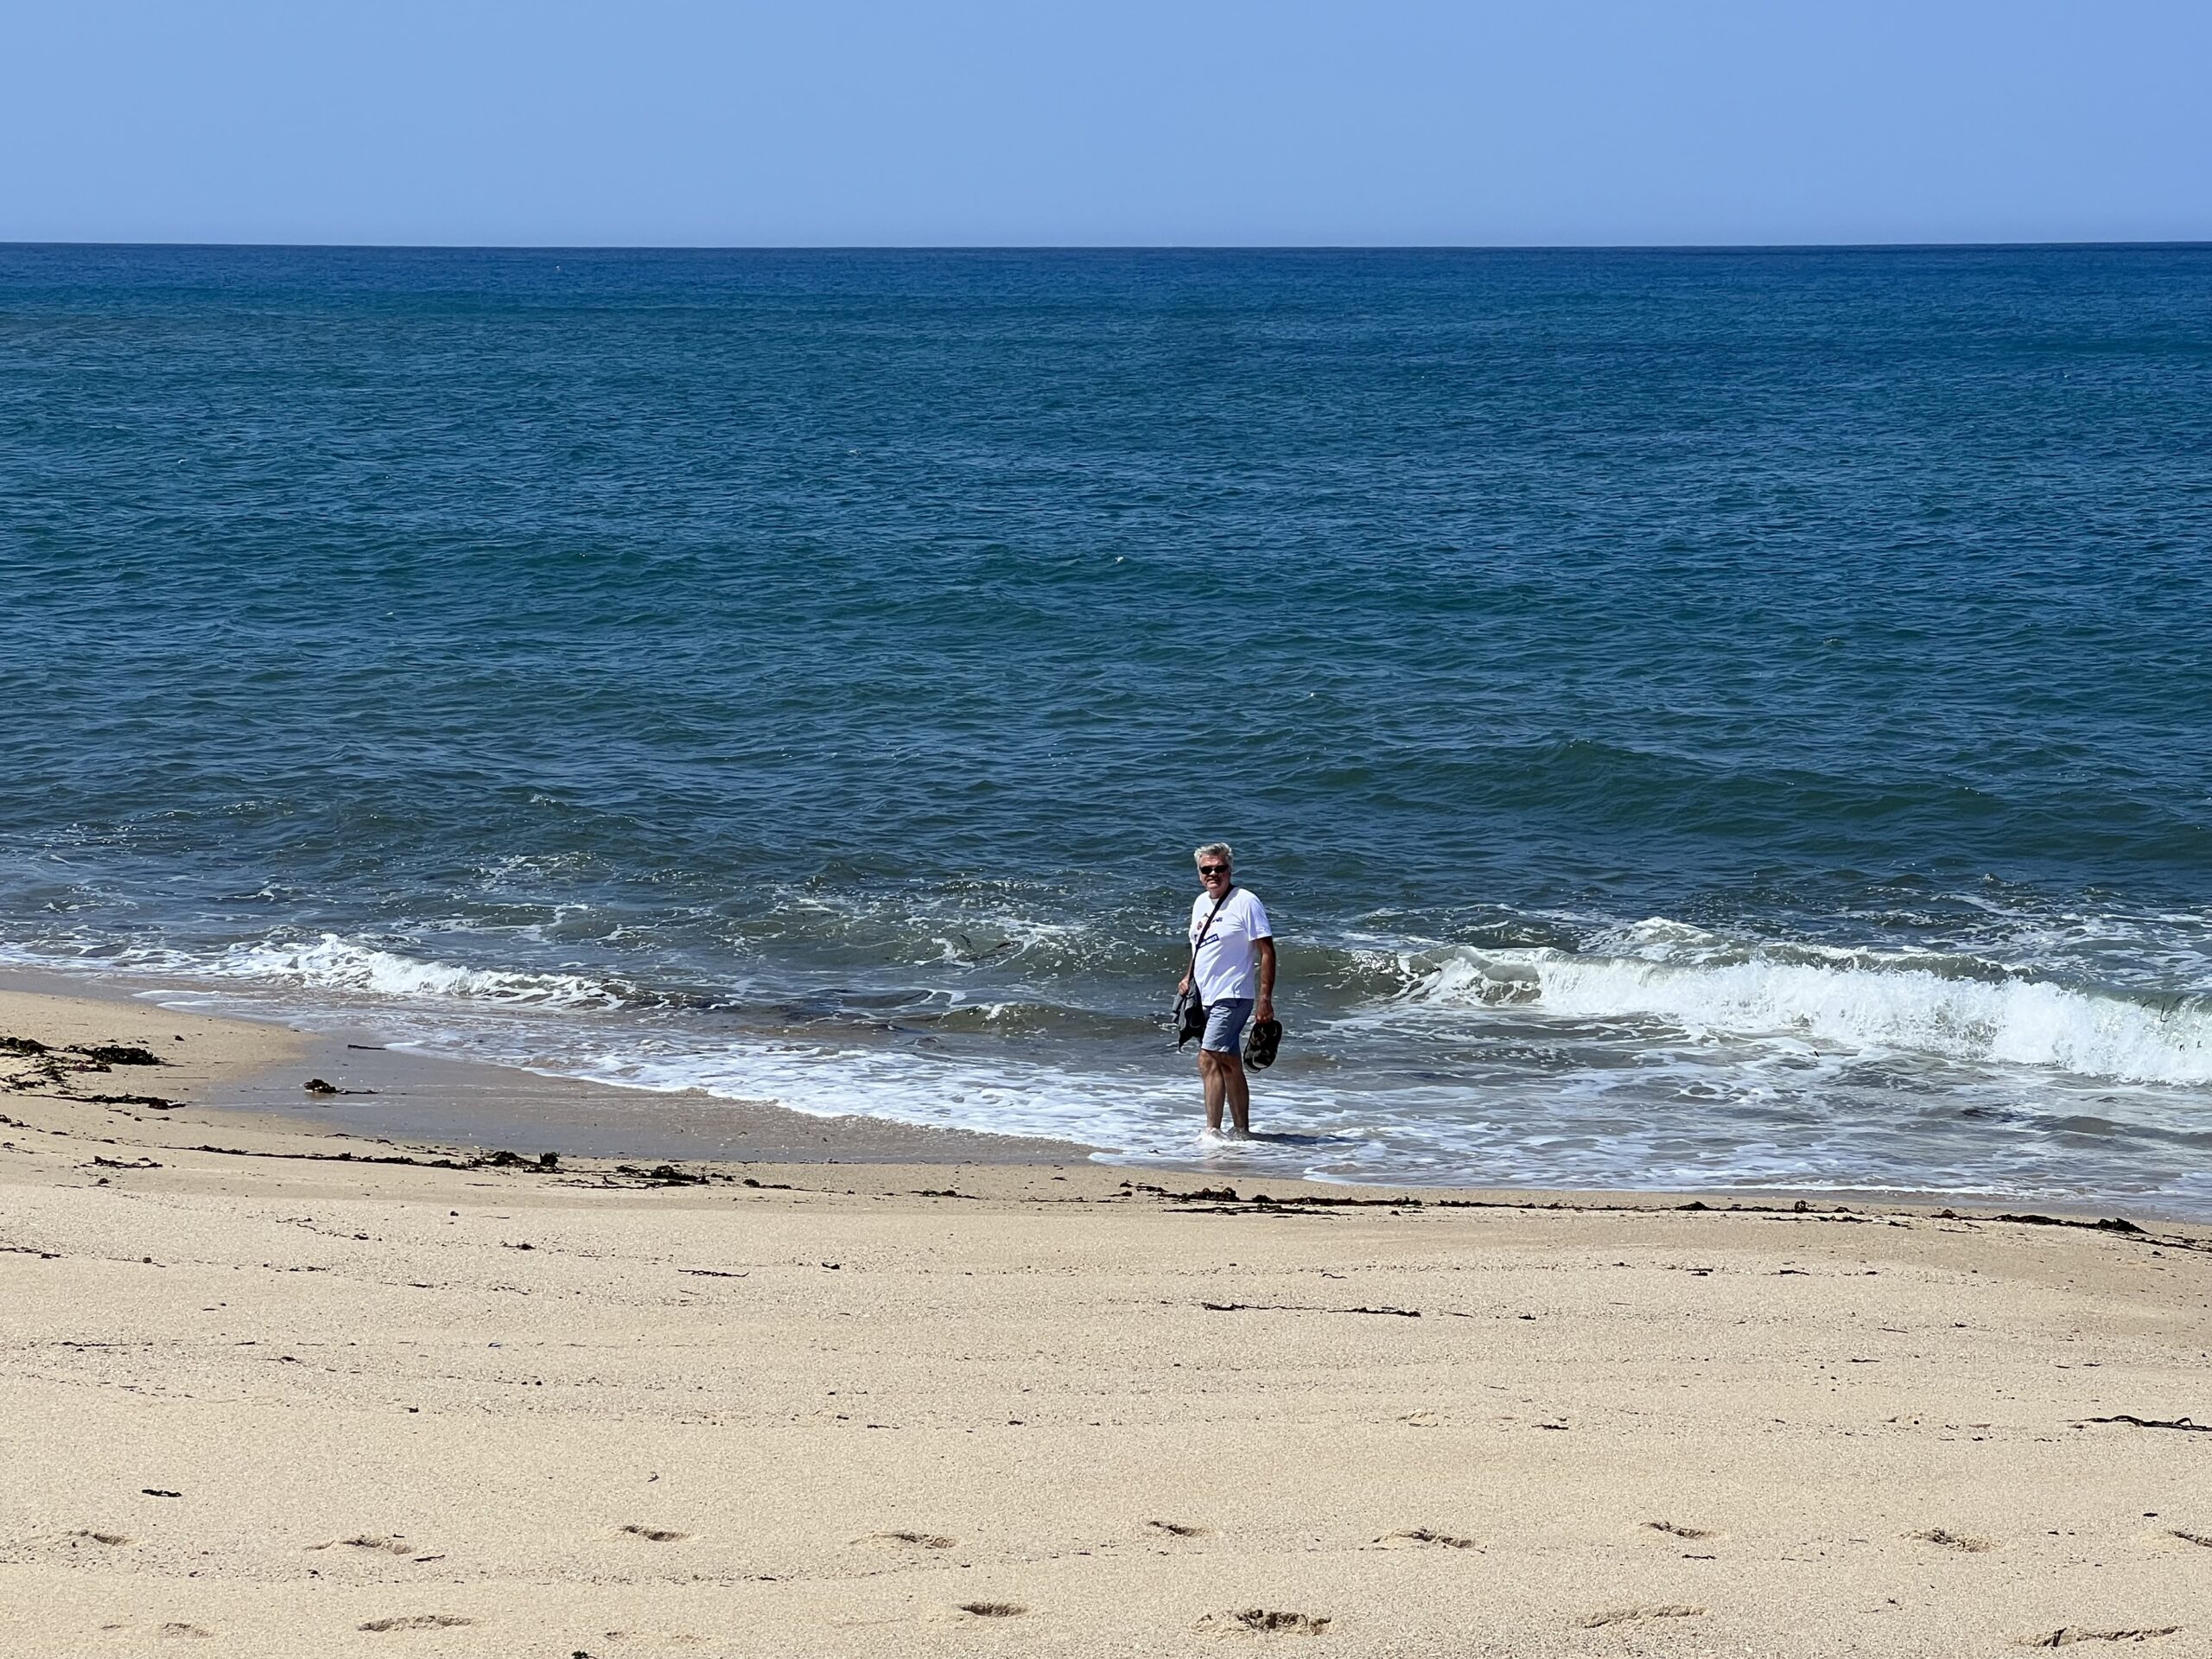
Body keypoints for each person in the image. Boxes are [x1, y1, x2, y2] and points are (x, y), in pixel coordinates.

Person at [1176, 842, 1275, 1136]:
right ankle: (1241, 1131)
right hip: (1204, 996)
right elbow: (1199, 946)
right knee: (1228, 1062)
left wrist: (1265, 1000)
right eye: (1206, 869)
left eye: (1220, 868)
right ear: (1199, 873)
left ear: (1230, 870)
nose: (1213, 874)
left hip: (1233, 995)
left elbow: (1267, 951)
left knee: (1207, 1057)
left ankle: (1212, 1131)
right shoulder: (1200, 903)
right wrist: (1188, 976)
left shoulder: (1246, 902)